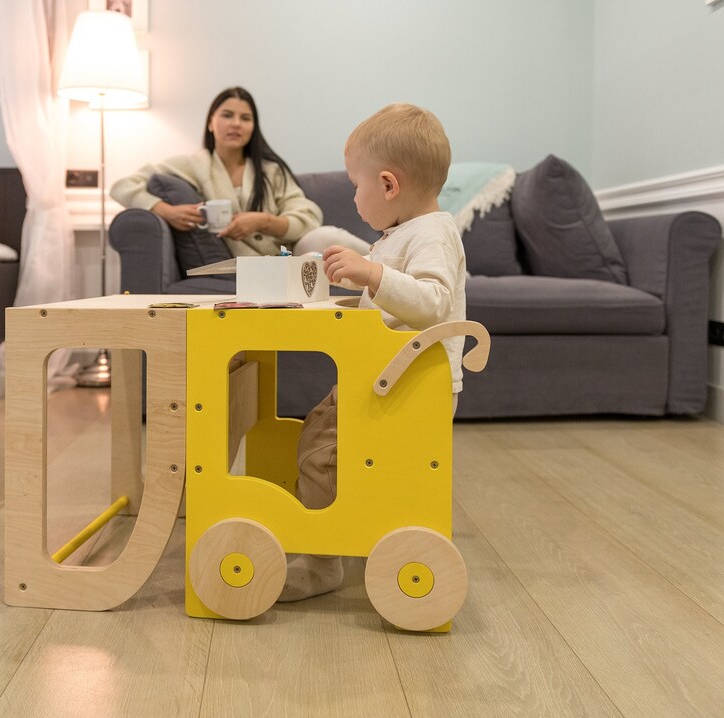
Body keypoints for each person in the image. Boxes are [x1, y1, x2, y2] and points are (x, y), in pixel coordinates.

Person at [278, 102, 467, 602]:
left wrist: (372, 273)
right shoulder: (398, 235)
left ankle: (322, 559)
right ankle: (345, 535)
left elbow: (433, 301)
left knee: (323, 457)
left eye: (355, 186)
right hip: (378, 379)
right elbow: (383, 306)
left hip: (404, 387)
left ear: (388, 185)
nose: (354, 198)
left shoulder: (430, 234)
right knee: (318, 436)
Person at [110, 86, 369, 258]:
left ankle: (391, 272)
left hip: (288, 258)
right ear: (211, 122)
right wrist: (166, 211)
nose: (236, 123)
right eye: (227, 115)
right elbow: (122, 185)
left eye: (245, 118)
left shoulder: (271, 171)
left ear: (253, 127)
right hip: (244, 266)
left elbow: (308, 217)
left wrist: (262, 221)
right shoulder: (193, 165)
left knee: (326, 237)